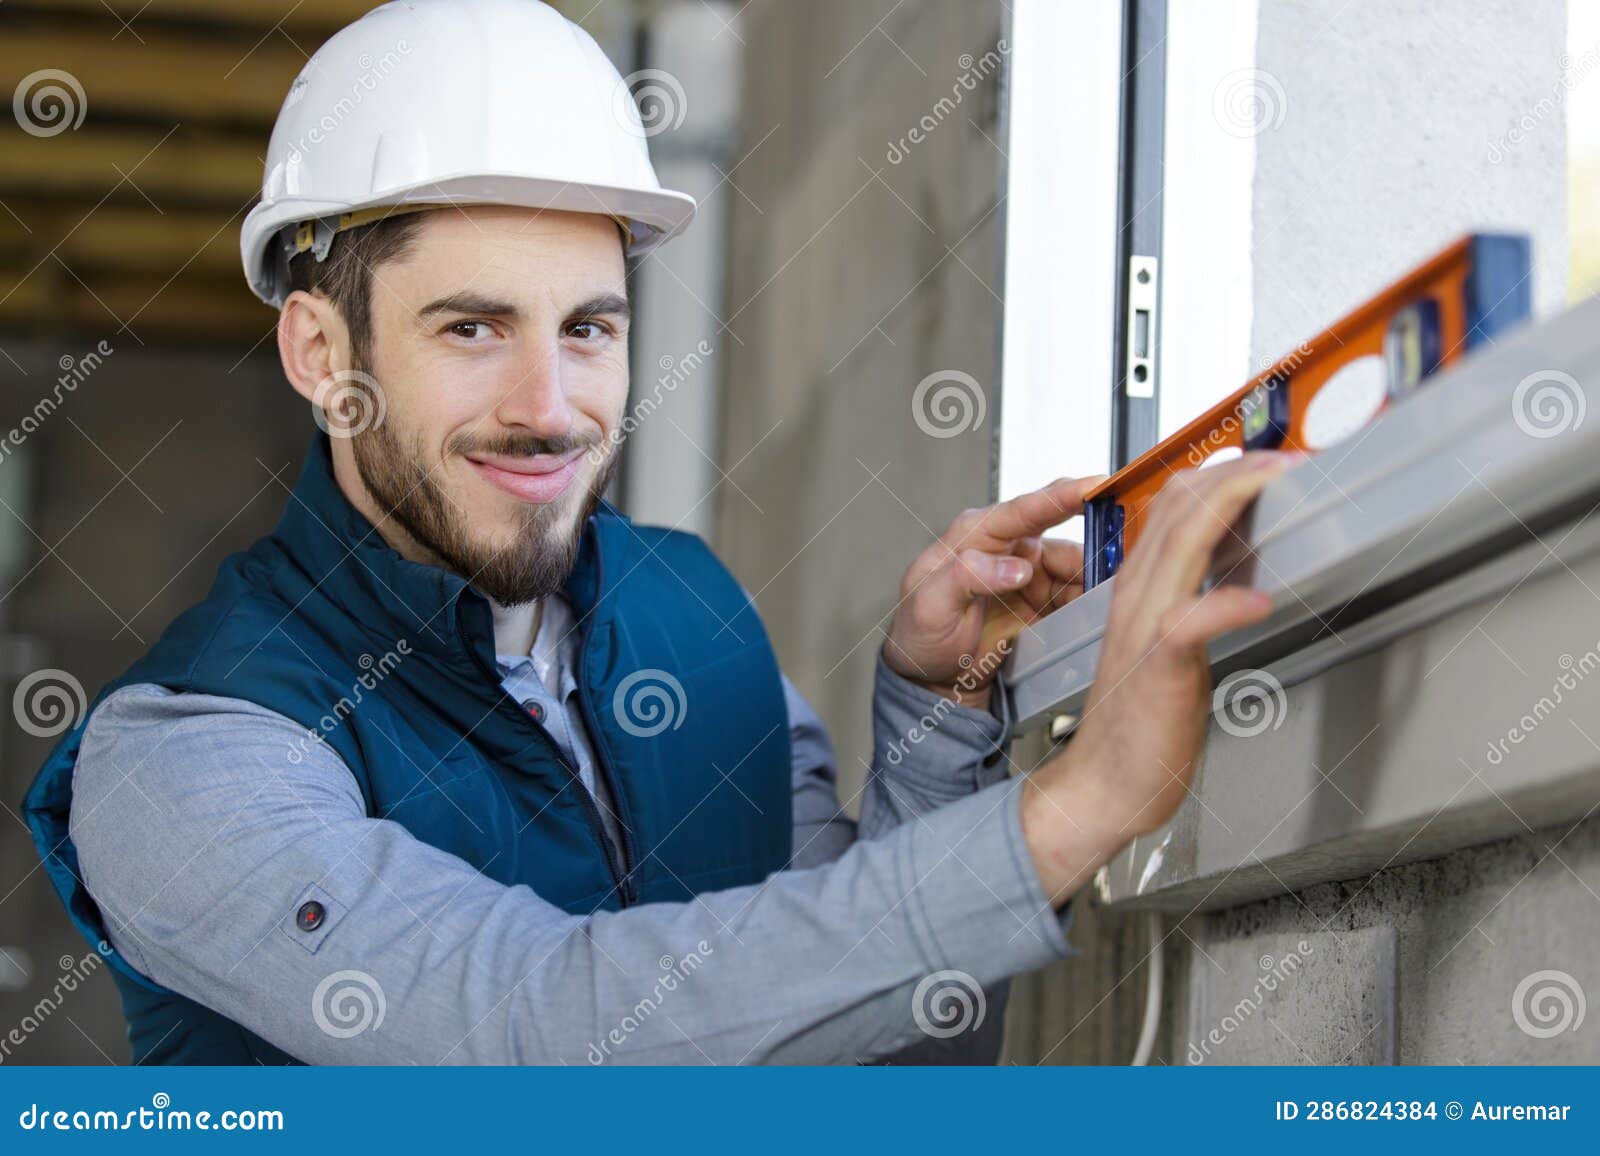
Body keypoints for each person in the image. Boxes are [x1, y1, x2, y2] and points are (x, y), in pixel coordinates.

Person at [23, 0, 1294, 1065]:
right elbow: (535, 1031)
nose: (548, 408)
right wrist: (1084, 804)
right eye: (472, 329)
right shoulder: (187, 756)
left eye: (588, 328)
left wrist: (940, 712)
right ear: (320, 350)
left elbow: (888, 1056)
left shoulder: (693, 617)